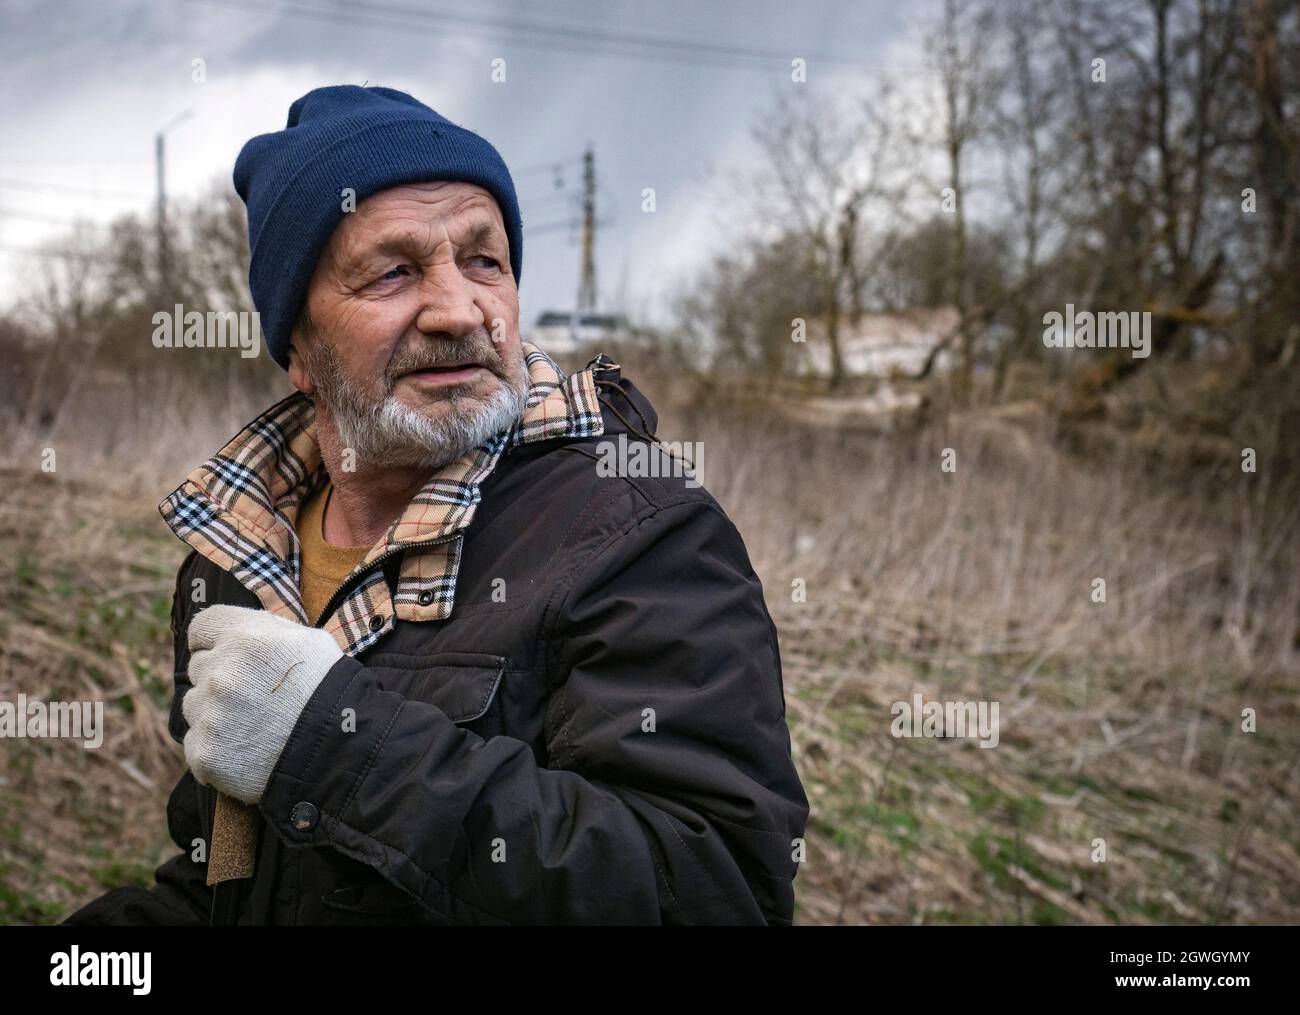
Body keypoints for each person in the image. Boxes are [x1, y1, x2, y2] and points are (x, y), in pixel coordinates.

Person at [63, 85, 809, 925]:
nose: (460, 310)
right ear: (298, 348)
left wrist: (334, 742)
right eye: (393, 271)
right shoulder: (237, 556)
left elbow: (718, 891)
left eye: (485, 261)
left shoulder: (639, 535)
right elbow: (228, 884)